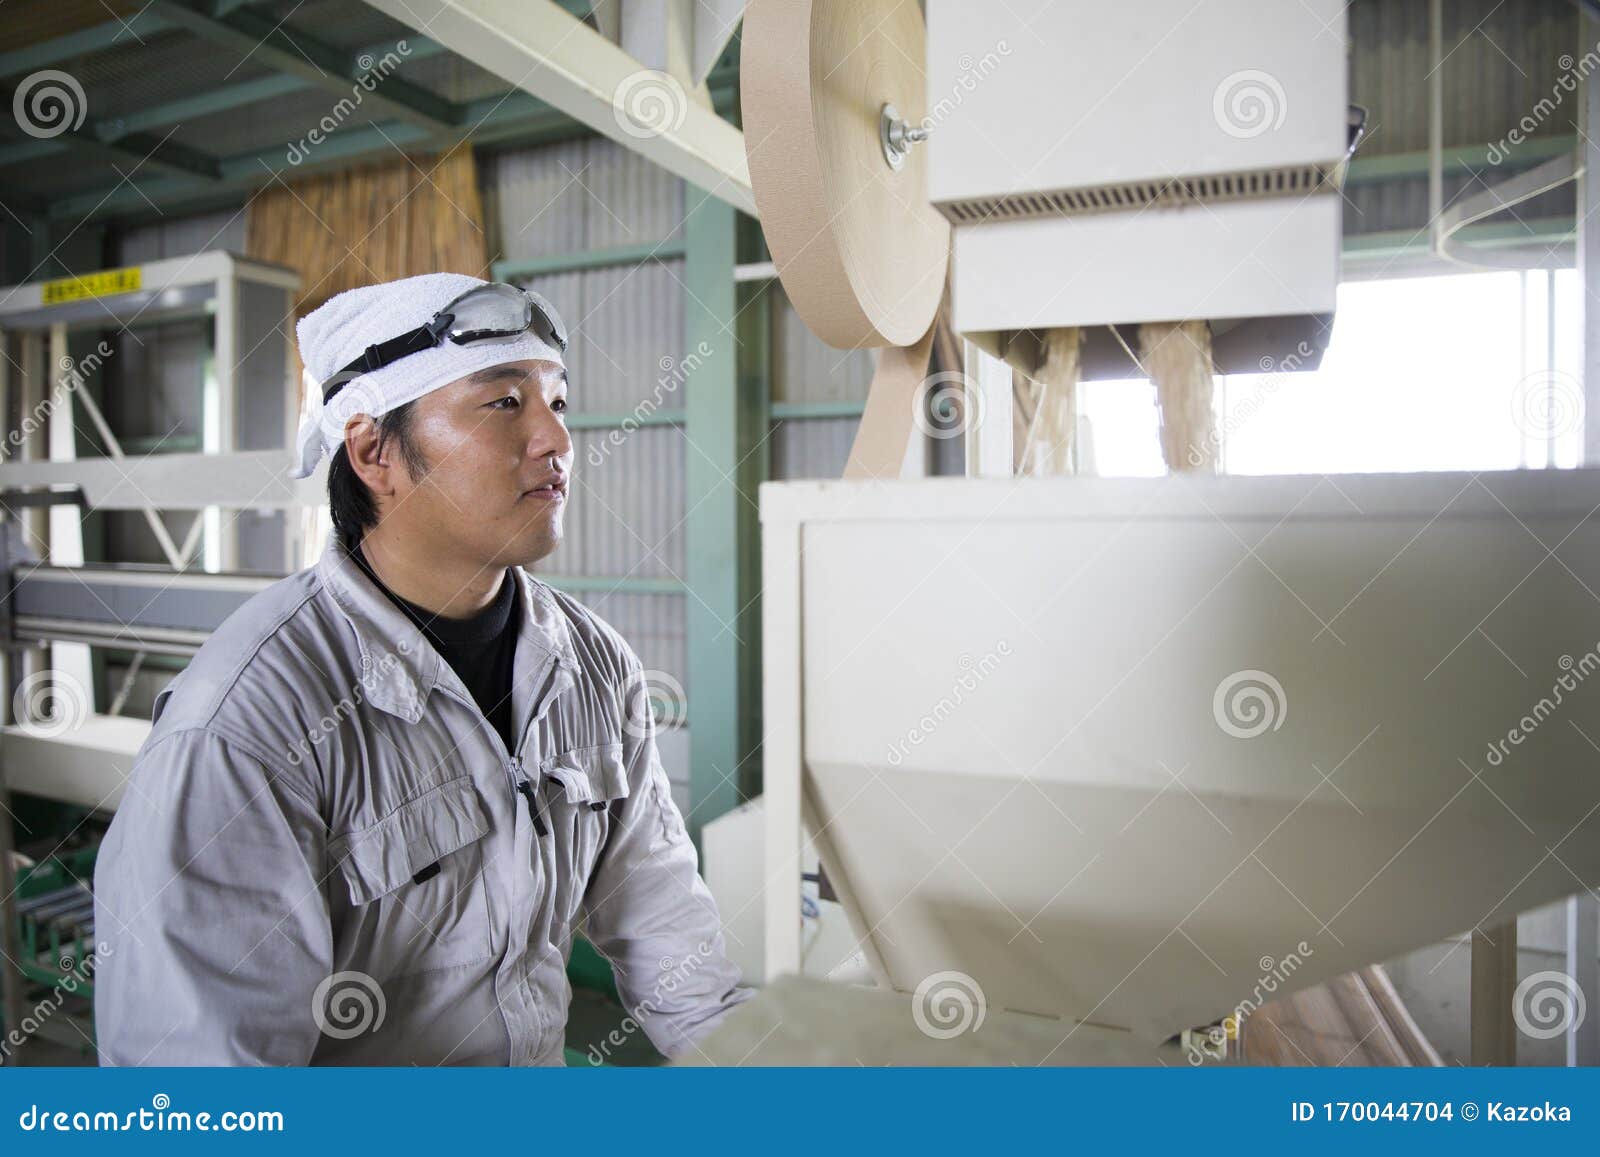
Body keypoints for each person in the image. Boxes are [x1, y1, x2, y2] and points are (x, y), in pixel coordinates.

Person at [93, 273, 750, 1065]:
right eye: (505, 402)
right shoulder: (249, 724)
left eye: (558, 402)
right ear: (375, 452)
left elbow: (680, 959)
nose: (556, 439)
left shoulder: (596, 669)